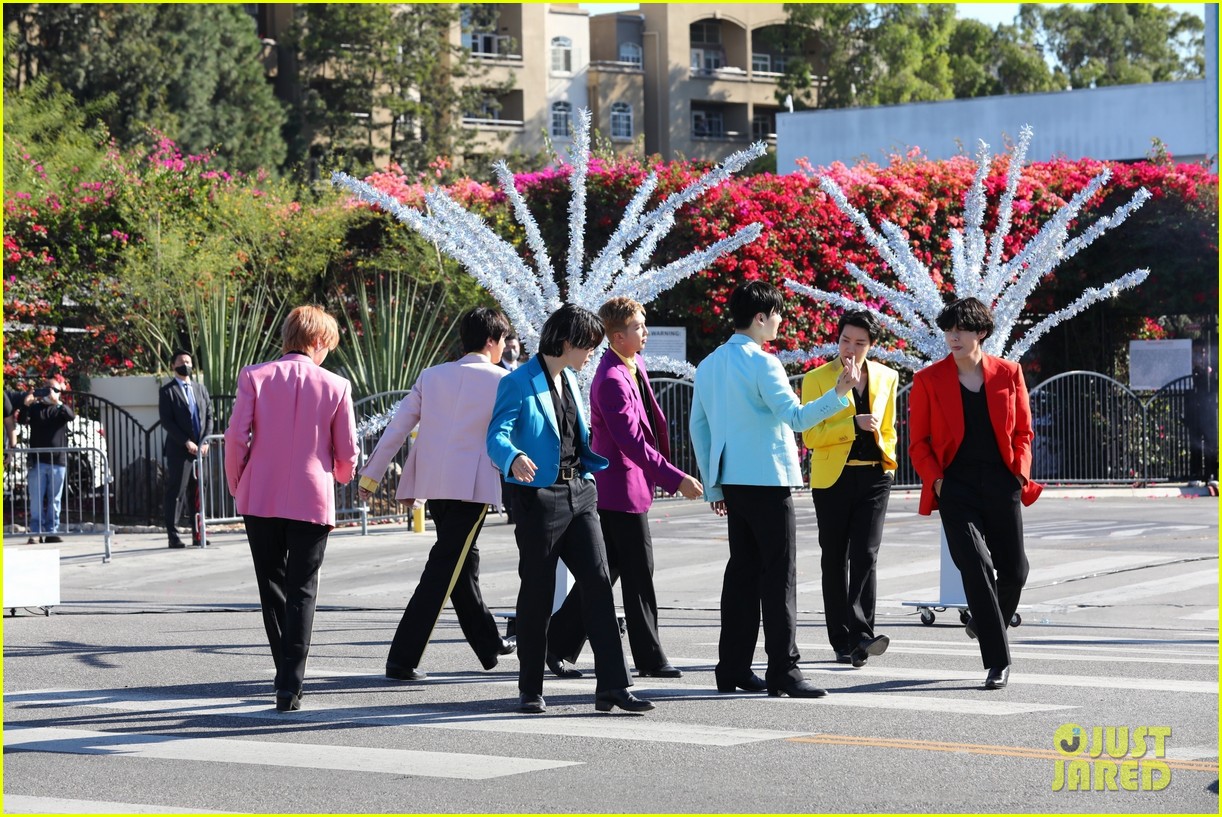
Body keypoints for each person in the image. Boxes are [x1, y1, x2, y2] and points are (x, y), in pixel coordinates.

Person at [689, 281, 858, 699]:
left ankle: (732, 667)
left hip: (732, 481)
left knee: (742, 575)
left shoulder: (709, 363)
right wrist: (839, 392)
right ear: (760, 317)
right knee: (779, 576)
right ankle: (783, 669)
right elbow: (797, 419)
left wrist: (714, 487)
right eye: (777, 314)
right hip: (768, 479)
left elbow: (699, 427)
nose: (780, 320)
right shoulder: (764, 363)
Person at [487, 303, 653, 715]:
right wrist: (512, 458)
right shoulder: (519, 381)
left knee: (598, 584)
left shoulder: (573, 381)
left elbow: (578, 437)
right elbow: (496, 435)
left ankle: (613, 687)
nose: (593, 353)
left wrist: (590, 479)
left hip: (580, 494)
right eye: (589, 345)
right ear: (567, 342)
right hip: (538, 500)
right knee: (538, 593)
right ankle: (530, 688)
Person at [546, 297, 703, 680]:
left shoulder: (631, 365)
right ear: (617, 336)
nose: (645, 332)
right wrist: (675, 477)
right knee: (637, 572)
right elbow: (632, 442)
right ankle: (648, 658)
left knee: (606, 573)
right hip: (619, 491)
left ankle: (558, 643)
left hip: (629, 488)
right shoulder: (613, 378)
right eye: (638, 327)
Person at [358, 308, 517, 681]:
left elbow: (397, 429)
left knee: (462, 563)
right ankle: (402, 657)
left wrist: (372, 476)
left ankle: (489, 642)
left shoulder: (432, 376)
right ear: (492, 342)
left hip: (433, 484)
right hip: (473, 485)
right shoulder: (503, 379)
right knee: (445, 567)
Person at [224, 305, 359, 712]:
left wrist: (238, 481)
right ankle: (290, 684)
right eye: (327, 346)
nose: (326, 354)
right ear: (318, 342)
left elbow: (235, 438)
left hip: (259, 494)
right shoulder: (337, 385)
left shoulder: (255, 376)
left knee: (273, 587)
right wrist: (340, 474)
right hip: (312, 496)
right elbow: (348, 451)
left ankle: (284, 674)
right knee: (303, 590)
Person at [908, 297, 1042, 691]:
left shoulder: (1009, 373)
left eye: (962, 329)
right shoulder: (929, 380)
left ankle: (985, 622)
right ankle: (997, 661)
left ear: (981, 332)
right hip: (957, 487)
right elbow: (919, 443)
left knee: (1015, 571)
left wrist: (1019, 473)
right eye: (949, 329)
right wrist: (938, 482)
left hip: (1002, 483)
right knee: (977, 566)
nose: (954, 336)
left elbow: (1023, 432)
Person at [800, 310, 898, 668]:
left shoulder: (887, 376)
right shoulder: (817, 378)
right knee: (834, 557)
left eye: (859, 343)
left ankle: (862, 636)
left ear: (871, 345)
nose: (850, 349)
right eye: (845, 341)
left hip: (874, 477)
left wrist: (888, 458)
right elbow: (810, 435)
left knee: (866, 554)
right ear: (836, 339)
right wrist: (852, 426)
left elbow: (887, 428)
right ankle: (840, 639)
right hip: (832, 480)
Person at [159, 350, 213, 549]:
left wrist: (205, 441)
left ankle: (198, 533)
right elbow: (167, 422)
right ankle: (173, 535)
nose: (186, 365)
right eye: (182, 362)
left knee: (198, 492)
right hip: (180, 451)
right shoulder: (167, 392)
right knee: (177, 492)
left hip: (200, 451)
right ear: (174, 365)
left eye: (189, 361)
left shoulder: (200, 389)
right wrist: (186, 442)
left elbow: (208, 415)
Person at [19, 374, 73, 544]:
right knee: (36, 499)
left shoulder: (60, 410)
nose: (49, 394)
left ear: (59, 392)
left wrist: (57, 402)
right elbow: (21, 420)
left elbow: (71, 416)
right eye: (46, 390)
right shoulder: (35, 409)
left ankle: (51, 531)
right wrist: (26, 405)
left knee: (54, 499)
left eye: (54, 390)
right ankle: (36, 532)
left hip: (58, 461)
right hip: (38, 461)